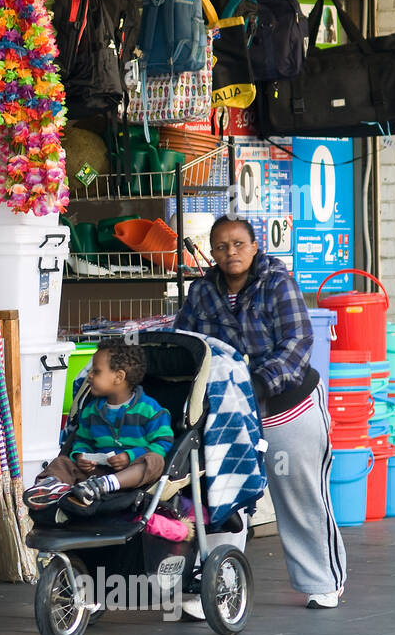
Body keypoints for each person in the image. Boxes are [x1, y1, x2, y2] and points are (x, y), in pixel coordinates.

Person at [175, 215, 347, 610]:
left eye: (238, 244)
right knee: (220, 496)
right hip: (229, 411)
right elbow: (188, 341)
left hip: (289, 405)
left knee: (301, 496)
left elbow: (299, 339)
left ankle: (322, 581)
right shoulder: (202, 292)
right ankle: (215, 588)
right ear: (213, 252)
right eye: (221, 246)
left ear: (254, 247)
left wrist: (259, 382)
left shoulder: (277, 283)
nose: (230, 252)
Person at [27, 339, 174, 514]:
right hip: (95, 474)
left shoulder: (150, 410)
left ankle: (107, 484)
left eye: (95, 372)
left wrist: (130, 455)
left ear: (119, 377)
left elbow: (163, 444)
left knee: (155, 461)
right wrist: (81, 455)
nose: (89, 376)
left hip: (132, 474)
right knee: (63, 462)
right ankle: (51, 486)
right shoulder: (91, 411)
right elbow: (82, 440)